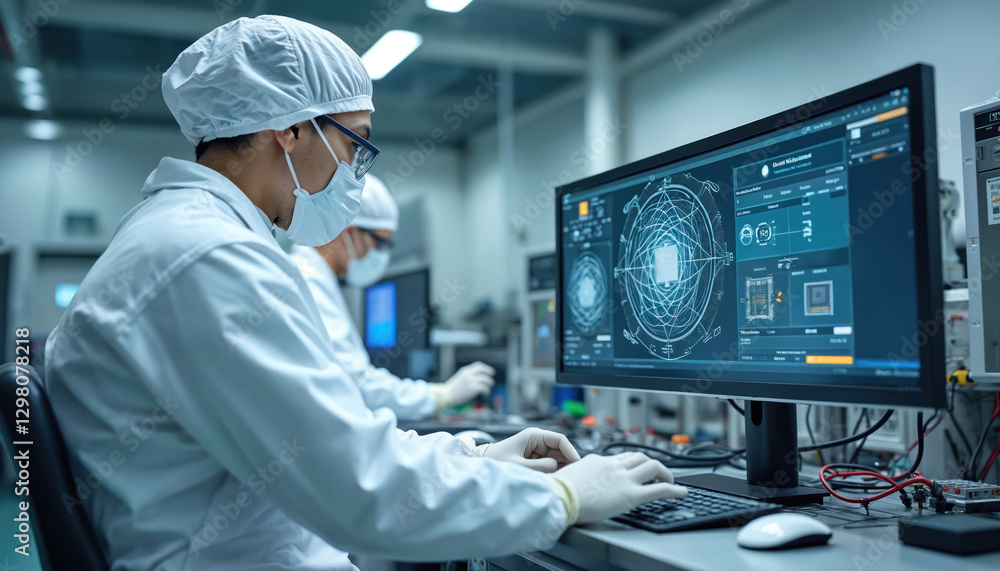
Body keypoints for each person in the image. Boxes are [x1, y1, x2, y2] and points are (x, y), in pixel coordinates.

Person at [43, 15, 686, 570]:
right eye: (354, 145)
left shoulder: (190, 238)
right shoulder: (208, 258)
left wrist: (476, 453)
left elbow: (329, 436)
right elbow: (361, 493)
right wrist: (565, 497)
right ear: (289, 131)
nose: (355, 173)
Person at [290, 174, 494, 420]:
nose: (382, 256)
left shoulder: (313, 276)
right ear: (349, 232)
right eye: (380, 244)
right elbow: (356, 384)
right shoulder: (309, 281)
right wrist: (442, 395)